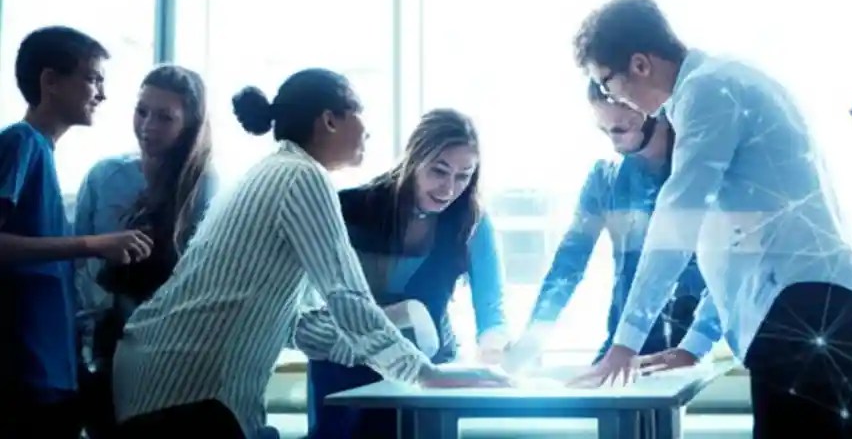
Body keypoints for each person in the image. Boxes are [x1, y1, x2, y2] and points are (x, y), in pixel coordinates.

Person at [111, 69, 510, 439]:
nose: (368, 131)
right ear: (330, 120)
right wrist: (424, 373)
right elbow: (348, 299)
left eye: (463, 176)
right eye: (360, 115)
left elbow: (304, 324)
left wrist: (419, 366)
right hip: (185, 383)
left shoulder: (275, 170)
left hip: (168, 374)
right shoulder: (303, 177)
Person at [568, 0, 852, 439]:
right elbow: (741, 241)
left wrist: (625, 343)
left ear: (639, 64)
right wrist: (694, 344)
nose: (610, 95)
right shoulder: (722, 82)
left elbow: (676, 224)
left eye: (606, 81)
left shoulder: (706, 92)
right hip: (814, 304)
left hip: (802, 310)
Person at [299, 108, 511, 439]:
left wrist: (493, 352)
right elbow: (309, 306)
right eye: (439, 171)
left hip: (430, 370)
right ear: (414, 158)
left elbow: (491, 309)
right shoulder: (347, 209)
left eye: (463, 176)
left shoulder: (471, 222)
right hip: (346, 367)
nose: (449, 188)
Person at [0, 26, 154, 439]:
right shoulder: (21, 142)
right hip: (25, 373)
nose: (101, 94)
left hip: (52, 369)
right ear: (50, 81)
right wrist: (93, 245)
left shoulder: (42, 153)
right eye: (92, 78)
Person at [503, 80, 705, 373]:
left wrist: (699, 345)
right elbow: (568, 265)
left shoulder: (698, 177)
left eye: (619, 130)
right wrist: (532, 340)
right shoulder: (604, 179)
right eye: (604, 130)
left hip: (691, 353)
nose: (613, 142)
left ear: (651, 111)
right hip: (622, 348)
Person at [74, 64, 218, 438]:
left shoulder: (205, 186)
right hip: (106, 341)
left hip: (175, 348)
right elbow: (80, 266)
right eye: (141, 111)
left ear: (189, 123)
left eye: (165, 117)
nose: (147, 126)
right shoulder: (105, 175)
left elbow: (207, 279)